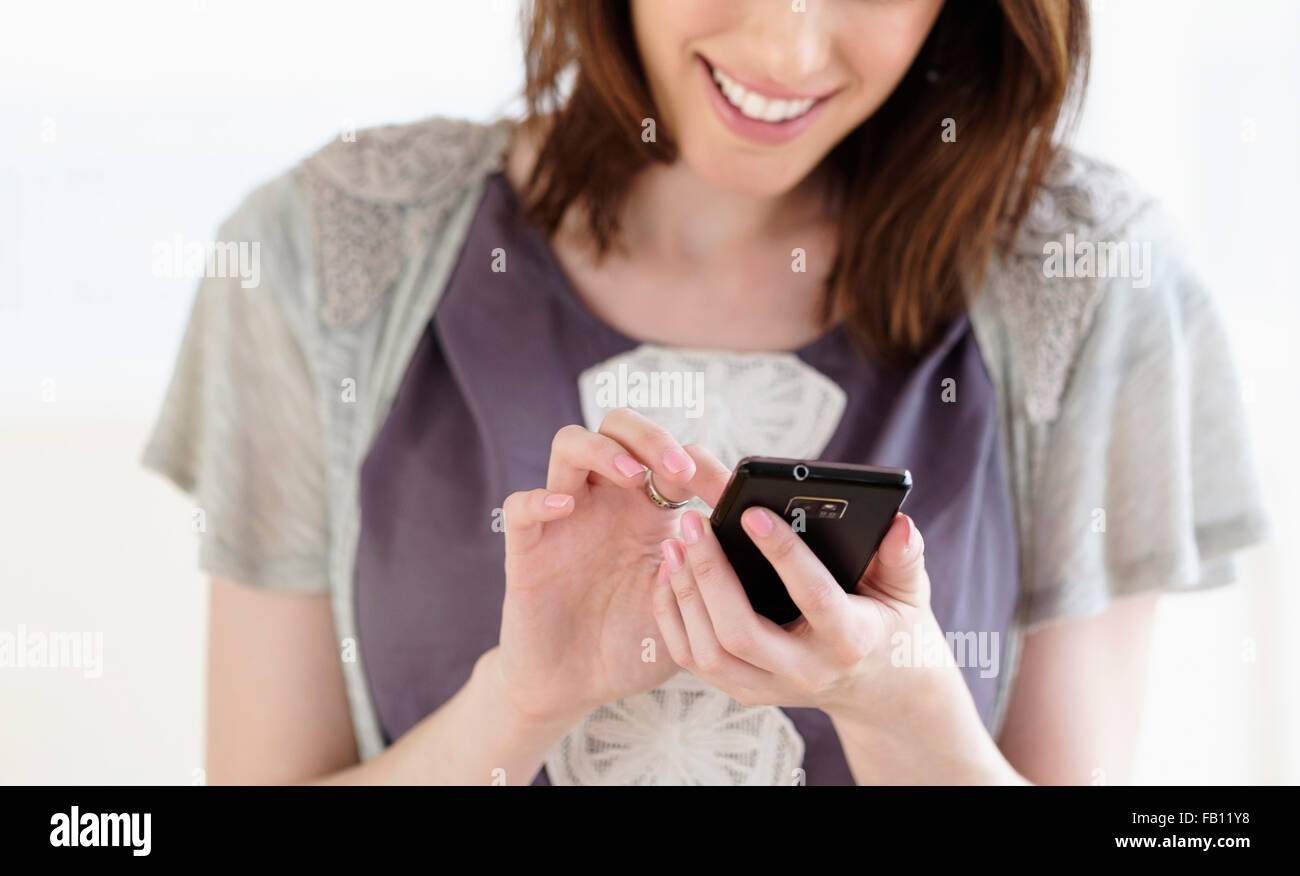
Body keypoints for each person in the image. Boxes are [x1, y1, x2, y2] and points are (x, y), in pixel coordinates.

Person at [143, 0, 1269, 785]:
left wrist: (904, 713)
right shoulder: (322, 252)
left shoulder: (1088, 279)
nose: (786, 42)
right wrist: (522, 703)